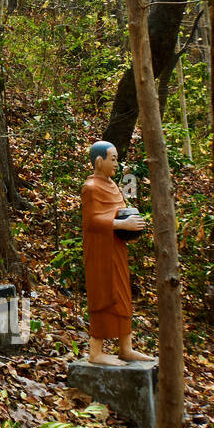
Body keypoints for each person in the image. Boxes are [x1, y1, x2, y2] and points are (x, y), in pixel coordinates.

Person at [83, 141, 153, 364]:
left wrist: (131, 222)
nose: (116, 163)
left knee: (123, 297)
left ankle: (126, 347)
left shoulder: (114, 186)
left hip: (117, 250)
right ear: (98, 161)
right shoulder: (90, 188)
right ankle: (96, 351)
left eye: (117, 159)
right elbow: (92, 220)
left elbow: (119, 212)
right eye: (113, 159)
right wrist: (120, 225)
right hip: (100, 254)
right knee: (103, 297)